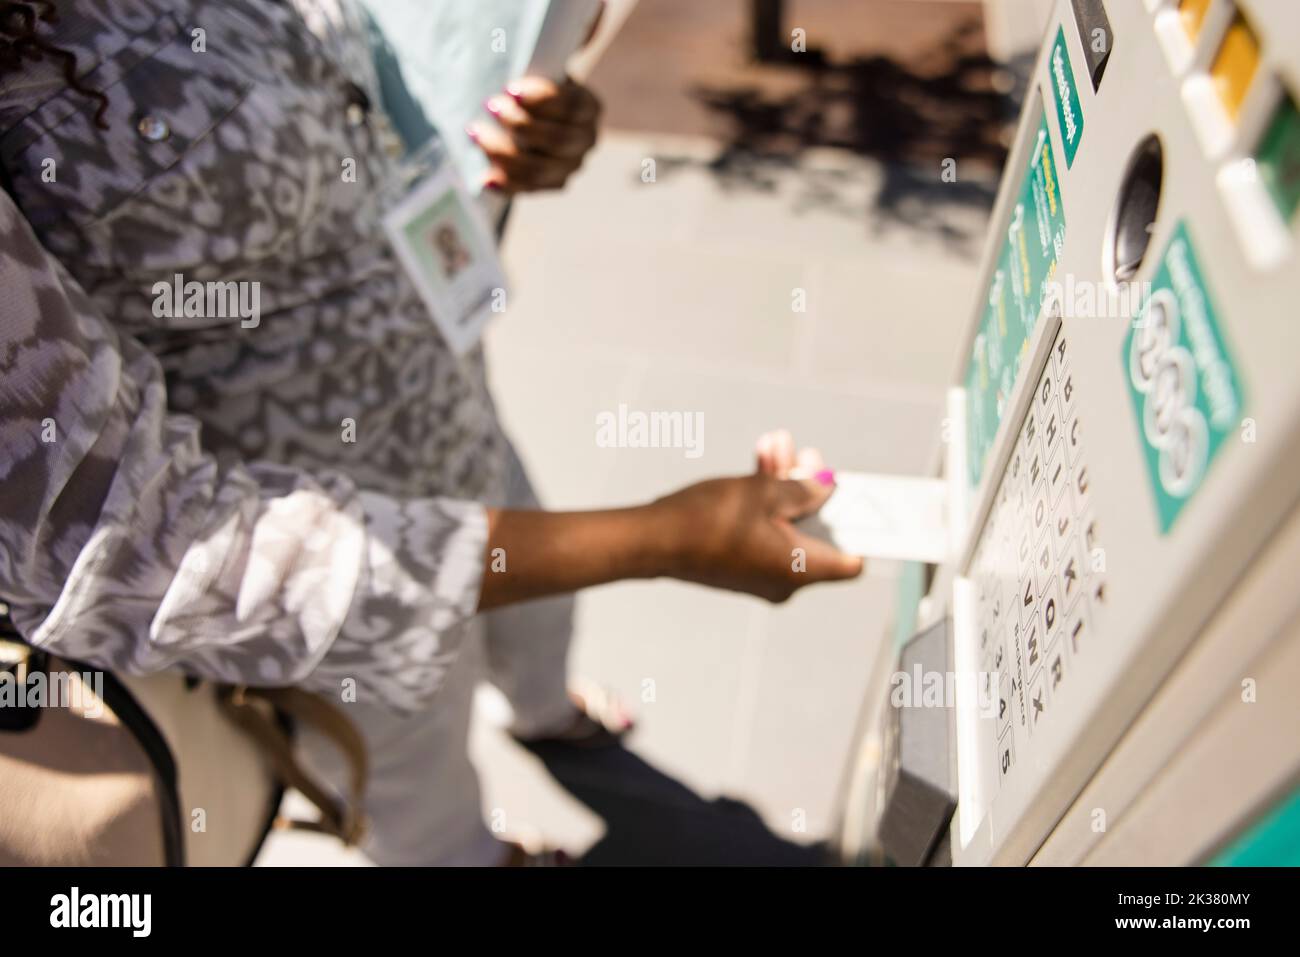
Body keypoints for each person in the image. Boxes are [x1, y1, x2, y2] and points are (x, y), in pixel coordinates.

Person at [0, 0, 862, 866]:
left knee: (540, 621)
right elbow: (132, 540)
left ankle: (545, 714)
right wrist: (663, 536)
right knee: (418, 784)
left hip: (445, 387)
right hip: (329, 537)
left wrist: (529, 121)